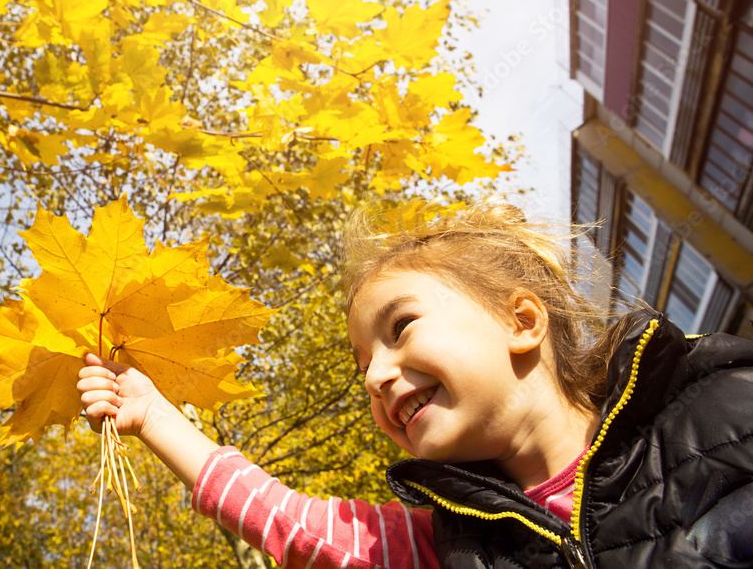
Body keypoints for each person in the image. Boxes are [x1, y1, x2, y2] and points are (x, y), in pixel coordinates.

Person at [77, 202, 753, 568]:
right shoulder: (451, 546)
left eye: (400, 327)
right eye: (361, 364)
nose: (374, 374)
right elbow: (292, 521)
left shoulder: (723, 404)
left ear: (522, 320)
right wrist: (155, 414)